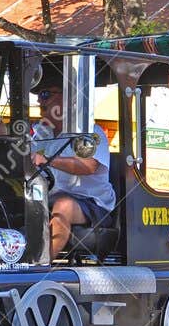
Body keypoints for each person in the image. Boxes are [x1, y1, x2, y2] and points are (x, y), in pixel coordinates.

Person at [30, 77, 114, 256]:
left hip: (91, 203)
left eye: (45, 94)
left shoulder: (89, 131)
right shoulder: (39, 134)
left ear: (67, 98)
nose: (39, 101)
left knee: (64, 206)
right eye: (38, 95)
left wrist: (48, 160)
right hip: (47, 198)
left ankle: (39, 265)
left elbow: (88, 166)